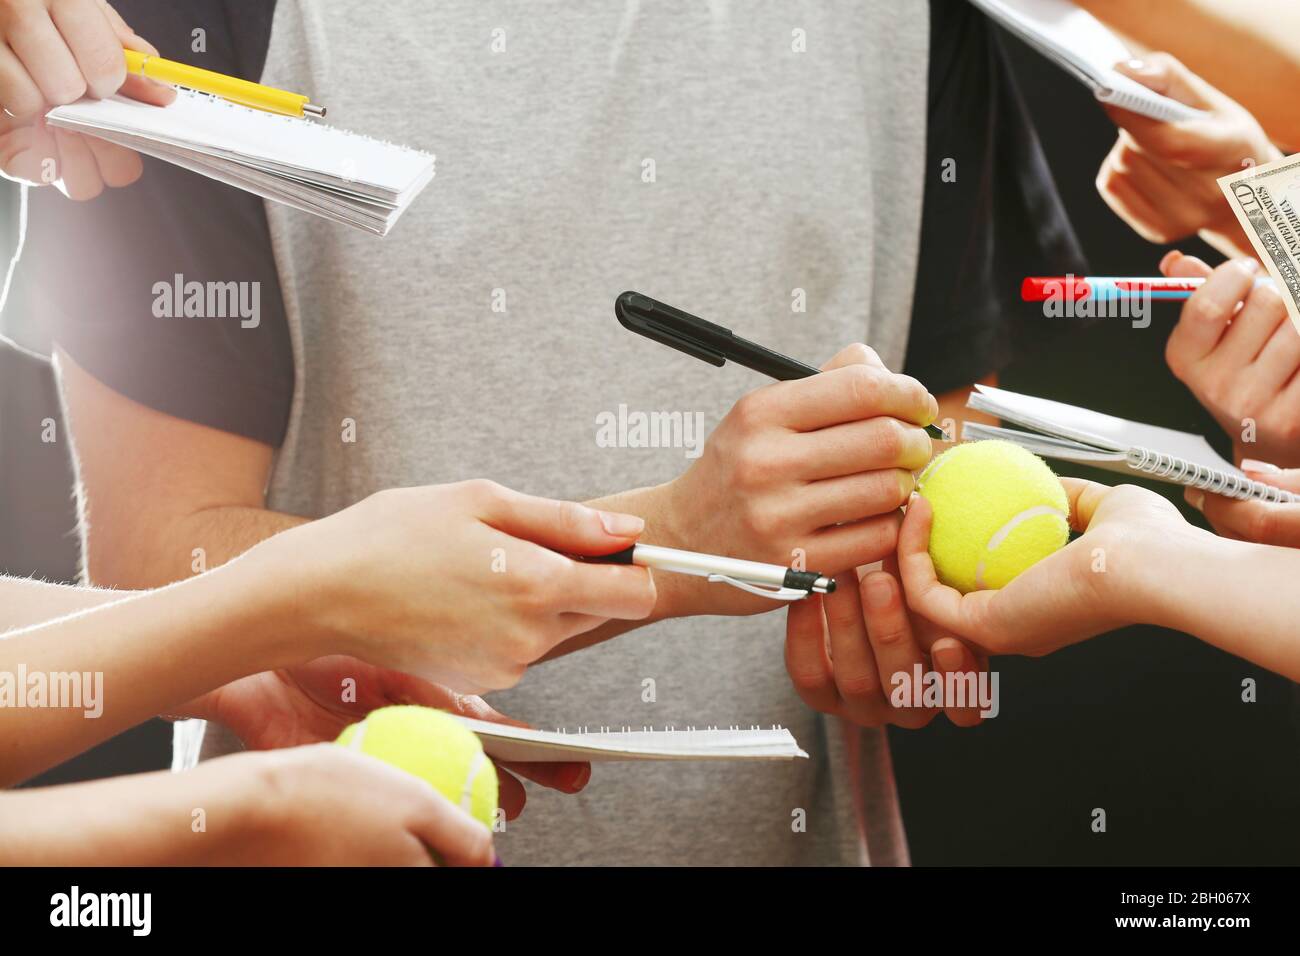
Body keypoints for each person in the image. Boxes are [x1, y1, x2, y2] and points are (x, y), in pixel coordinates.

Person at [4, 0, 1086, 866]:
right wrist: (680, 539)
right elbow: (151, 572)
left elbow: (943, 447)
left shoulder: (934, 17)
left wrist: (899, 604)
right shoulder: (146, 25)